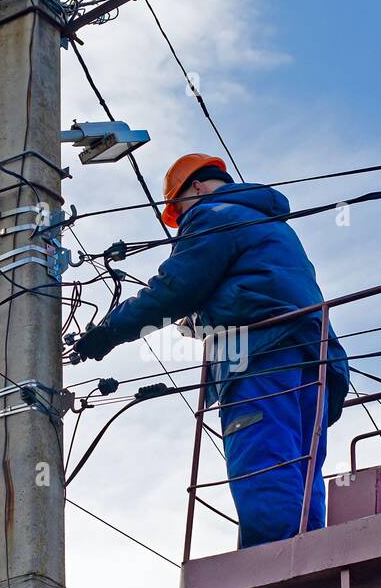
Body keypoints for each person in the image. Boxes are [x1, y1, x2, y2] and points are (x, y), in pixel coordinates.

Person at [70, 153, 348, 548]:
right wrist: (203, 319)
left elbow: (175, 288)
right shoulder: (268, 224)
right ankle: (311, 556)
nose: (180, 222)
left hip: (259, 354)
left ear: (195, 187)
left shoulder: (212, 214)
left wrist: (110, 332)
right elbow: (255, 288)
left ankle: (275, 567)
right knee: (301, 468)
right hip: (314, 358)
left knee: (263, 460)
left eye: (178, 210)